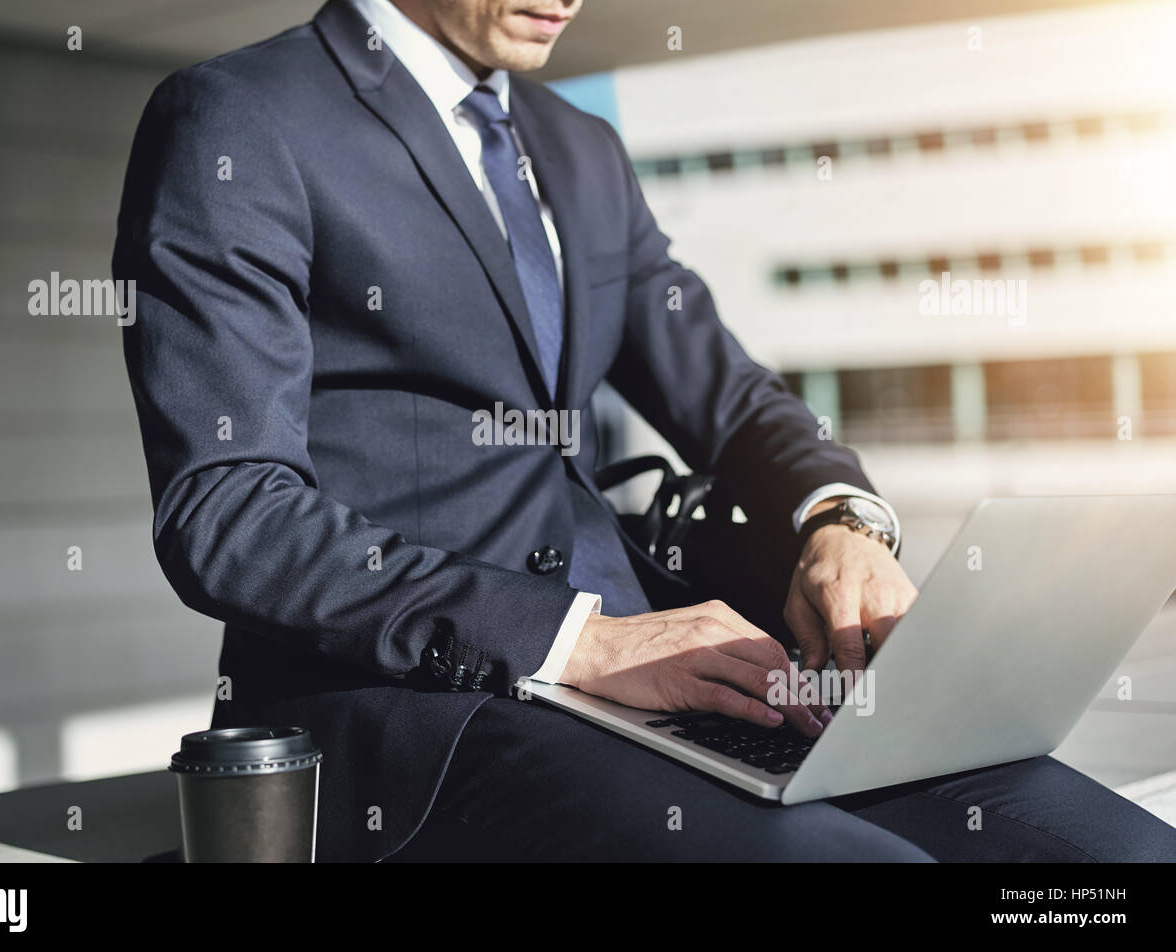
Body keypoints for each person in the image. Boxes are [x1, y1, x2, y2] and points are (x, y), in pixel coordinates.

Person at [113, 0, 1176, 861]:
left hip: (672, 672)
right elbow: (228, 510)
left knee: (1106, 853)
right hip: (424, 712)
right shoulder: (240, 116)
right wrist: (576, 641)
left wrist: (836, 520)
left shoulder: (579, 150)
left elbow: (735, 397)